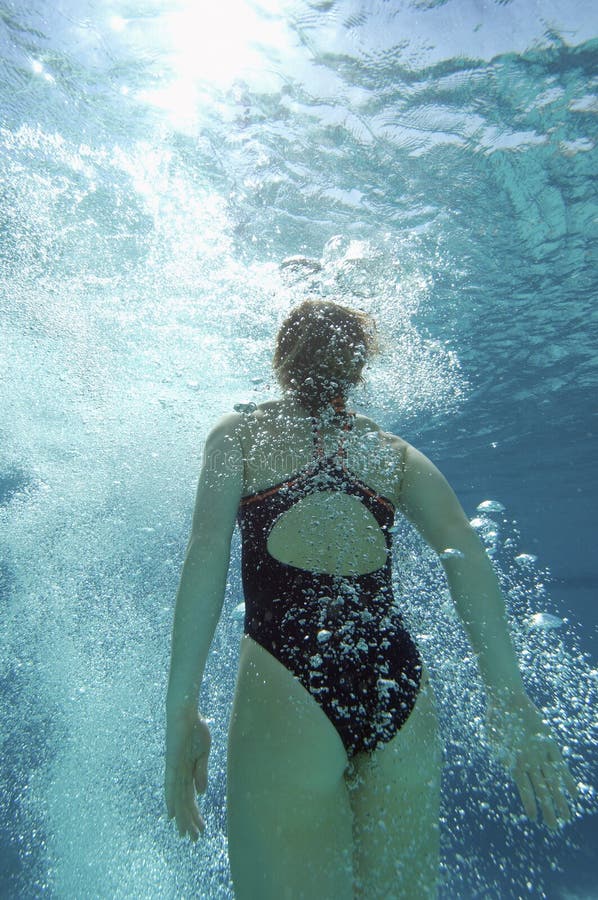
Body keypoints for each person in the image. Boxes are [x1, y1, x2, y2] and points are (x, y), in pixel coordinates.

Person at [165, 299, 577, 899]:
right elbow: (468, 558)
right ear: (361, 368)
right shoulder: (393, 454)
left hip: (286, 683)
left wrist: (182, 709)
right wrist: (507, 696)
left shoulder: (241, 435)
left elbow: (204, 563)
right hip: (396, 685)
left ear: (280, 361)